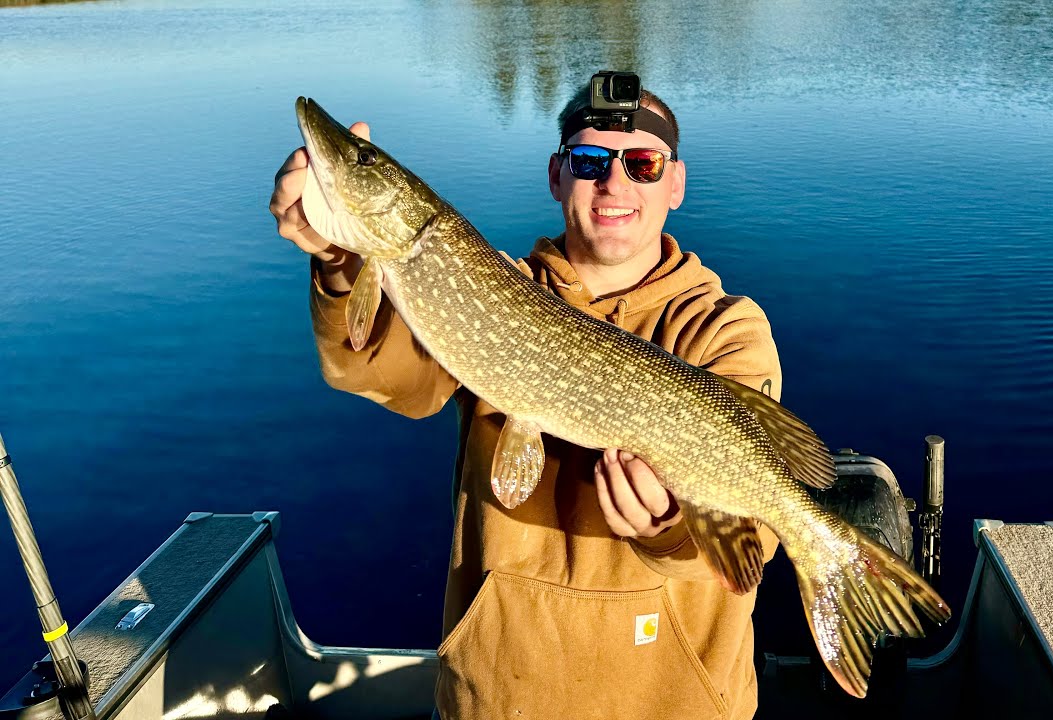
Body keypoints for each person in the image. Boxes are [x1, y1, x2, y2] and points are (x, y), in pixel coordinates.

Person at [270, 78, 784, 720]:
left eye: (642, 164)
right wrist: (339, 257)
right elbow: (384, 371)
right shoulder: (491, 288)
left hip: (670, 701)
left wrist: (669, 526)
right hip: (501, 695)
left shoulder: (725, 330)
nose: (614, 184)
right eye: (590, 162)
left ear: (674, 184)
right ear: (557, 175)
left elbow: (751, 535)